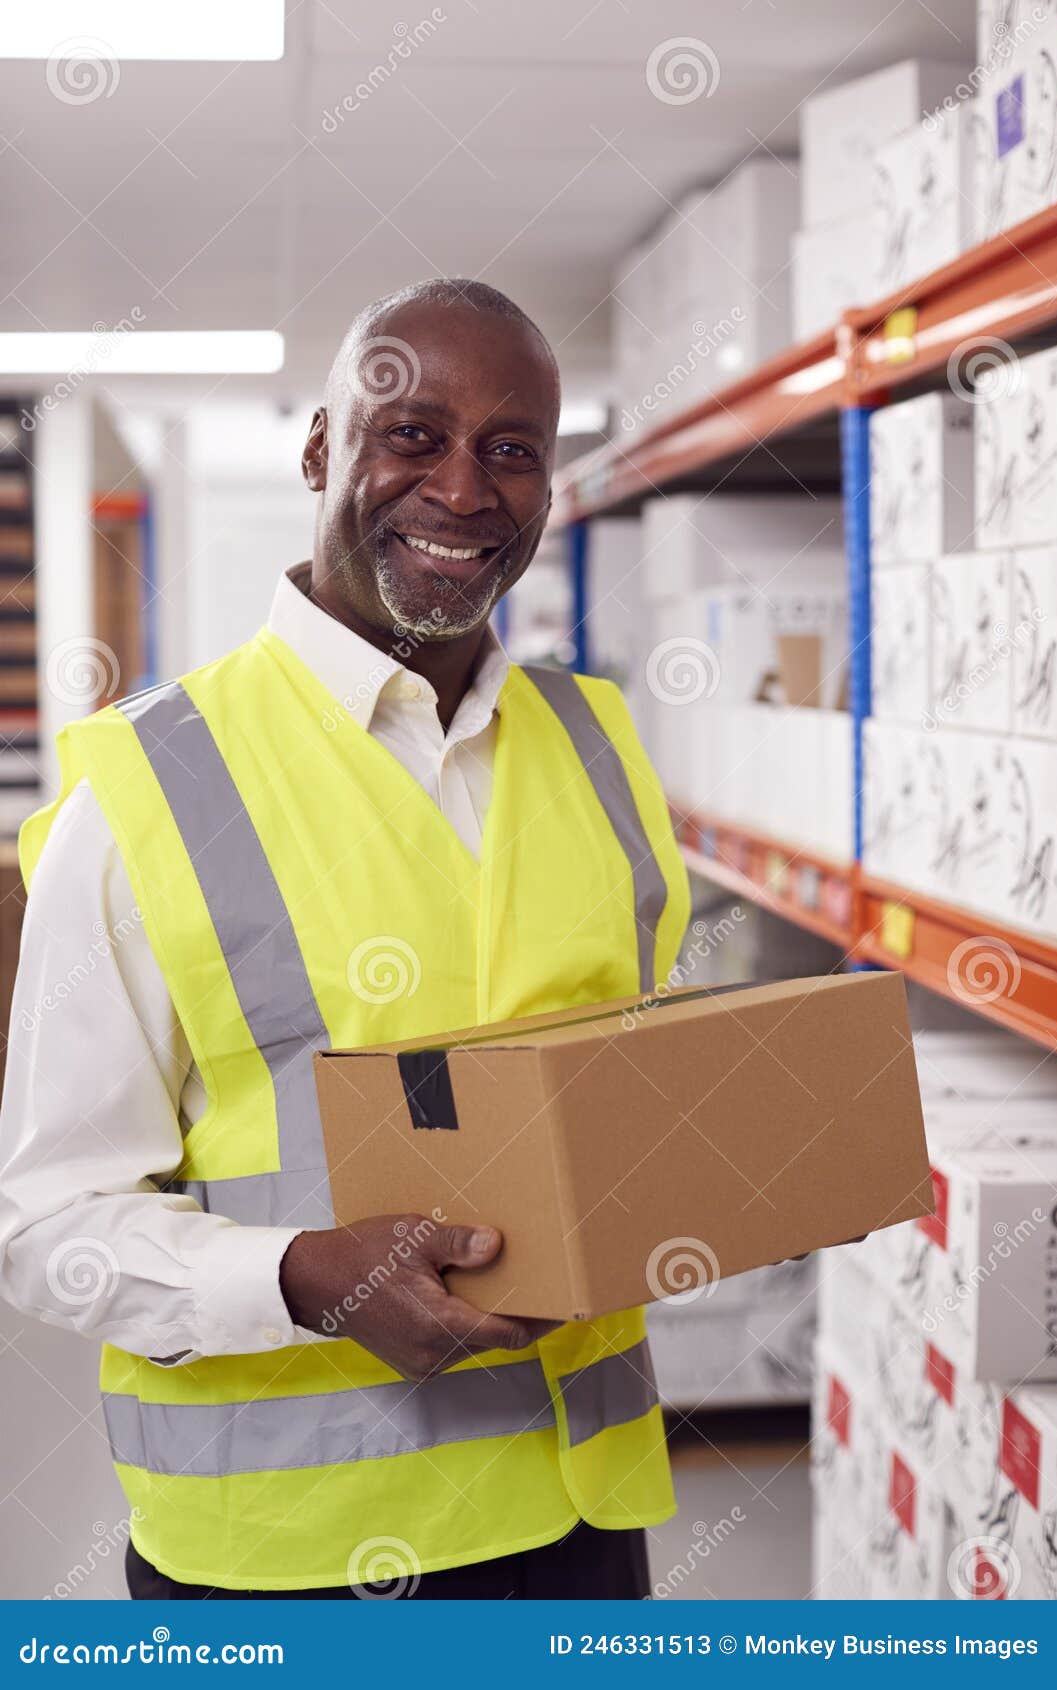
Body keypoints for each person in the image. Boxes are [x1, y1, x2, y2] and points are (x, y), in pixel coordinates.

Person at [0, 279, 691, 1599]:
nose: (464, 490)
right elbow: (44, 1225)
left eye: (512, 449)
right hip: (280, 1567)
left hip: (578, 1523)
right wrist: (299, 1276)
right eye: (412, 434)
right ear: (321, 449)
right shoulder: (144, 790)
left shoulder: (600, 747)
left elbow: (643, 1099)